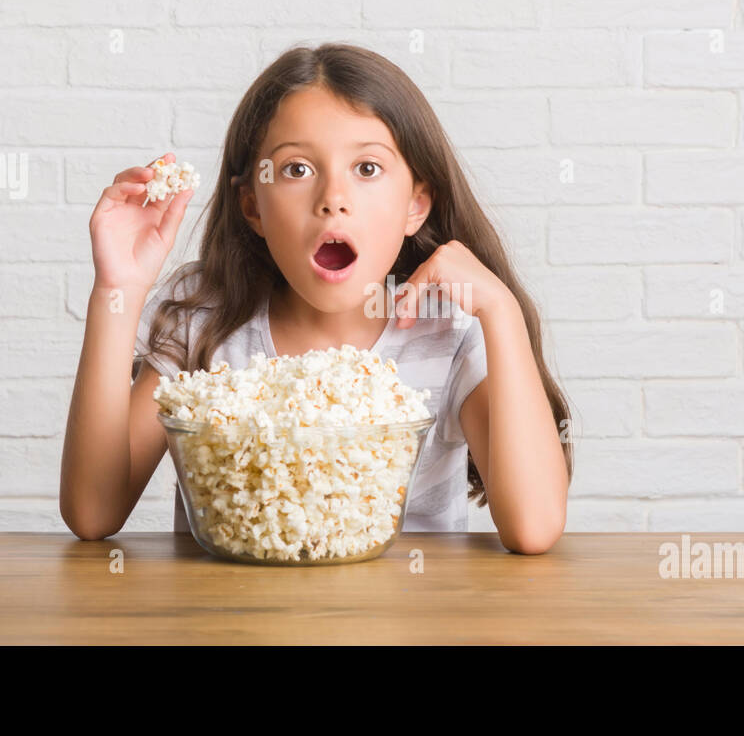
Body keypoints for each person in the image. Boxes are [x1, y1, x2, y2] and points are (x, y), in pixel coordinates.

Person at [60, 42, 572, 554]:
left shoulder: (451, 332)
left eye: (367, 169)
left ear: (416, 204)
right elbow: (93, 510)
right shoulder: (204, 319)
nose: (333, 198)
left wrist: (500, 311)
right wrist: (117, 290)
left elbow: (533, 526)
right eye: (297, 169)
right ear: (252, 207)